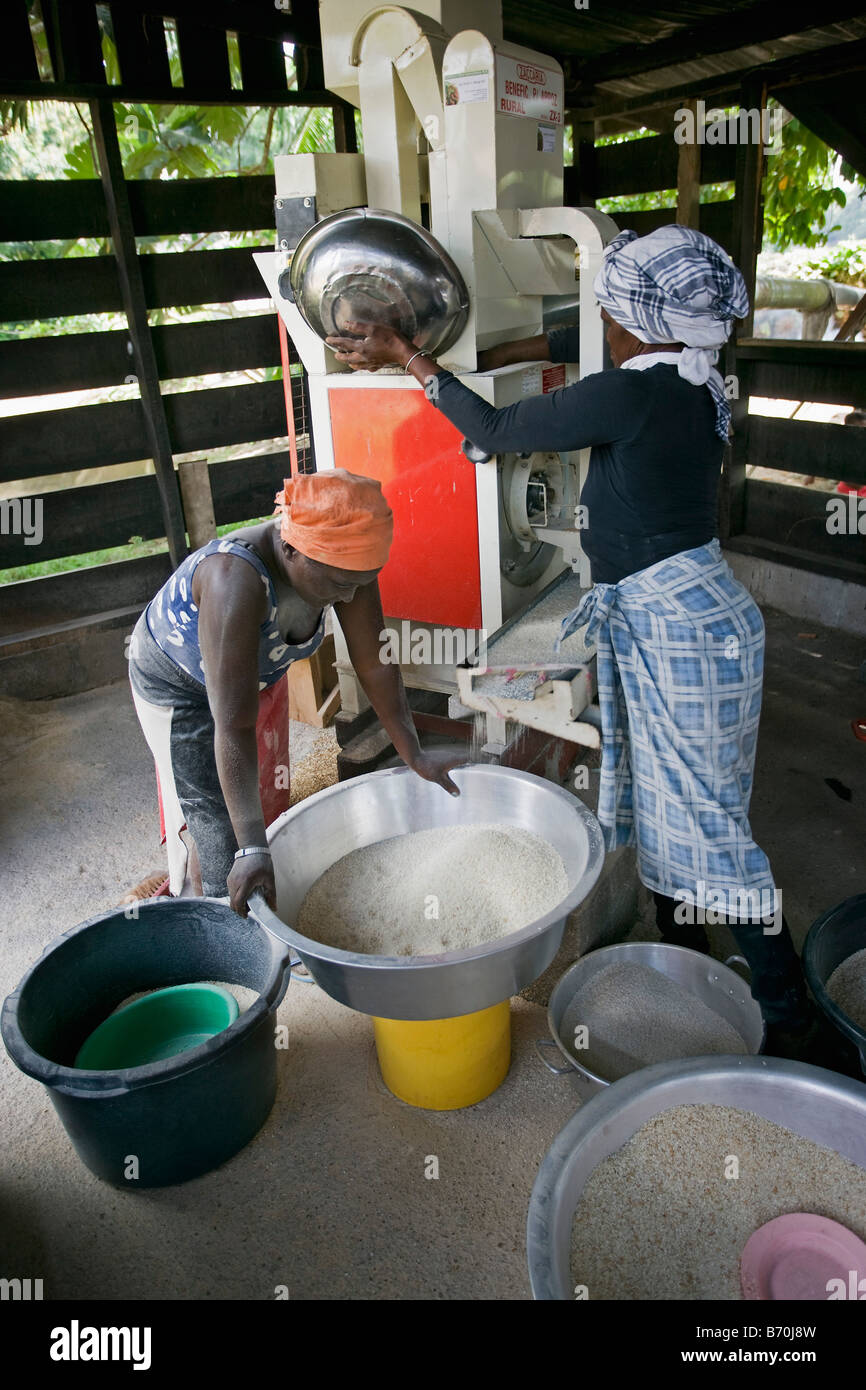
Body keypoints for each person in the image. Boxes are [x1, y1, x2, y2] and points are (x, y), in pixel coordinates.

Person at [325, 224, 849, 1068]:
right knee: (676, 807)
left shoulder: (636, 390)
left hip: (677, 631)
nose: (600, 317)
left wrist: (407, 360)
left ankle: (791, 1019)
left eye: (612, 303)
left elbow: (493, 432)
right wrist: (468, 339)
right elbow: (573, 340)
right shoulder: (692, 374)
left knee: (710, 831)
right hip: (691, 621)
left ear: (641, 318)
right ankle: (691, 963)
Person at [128, 469, 465, 917]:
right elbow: (233, 725)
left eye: (362, 581)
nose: (351, 595)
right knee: (218, 821)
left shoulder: (346, 568)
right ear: (289, 550)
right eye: (341, 583)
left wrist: (415, 754)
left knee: (261, 795)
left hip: (253, 674)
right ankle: (213, 917)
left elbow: (375, 664)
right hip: (177, 685)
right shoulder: (235, 581)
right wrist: (250, 850)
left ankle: (222, 878)